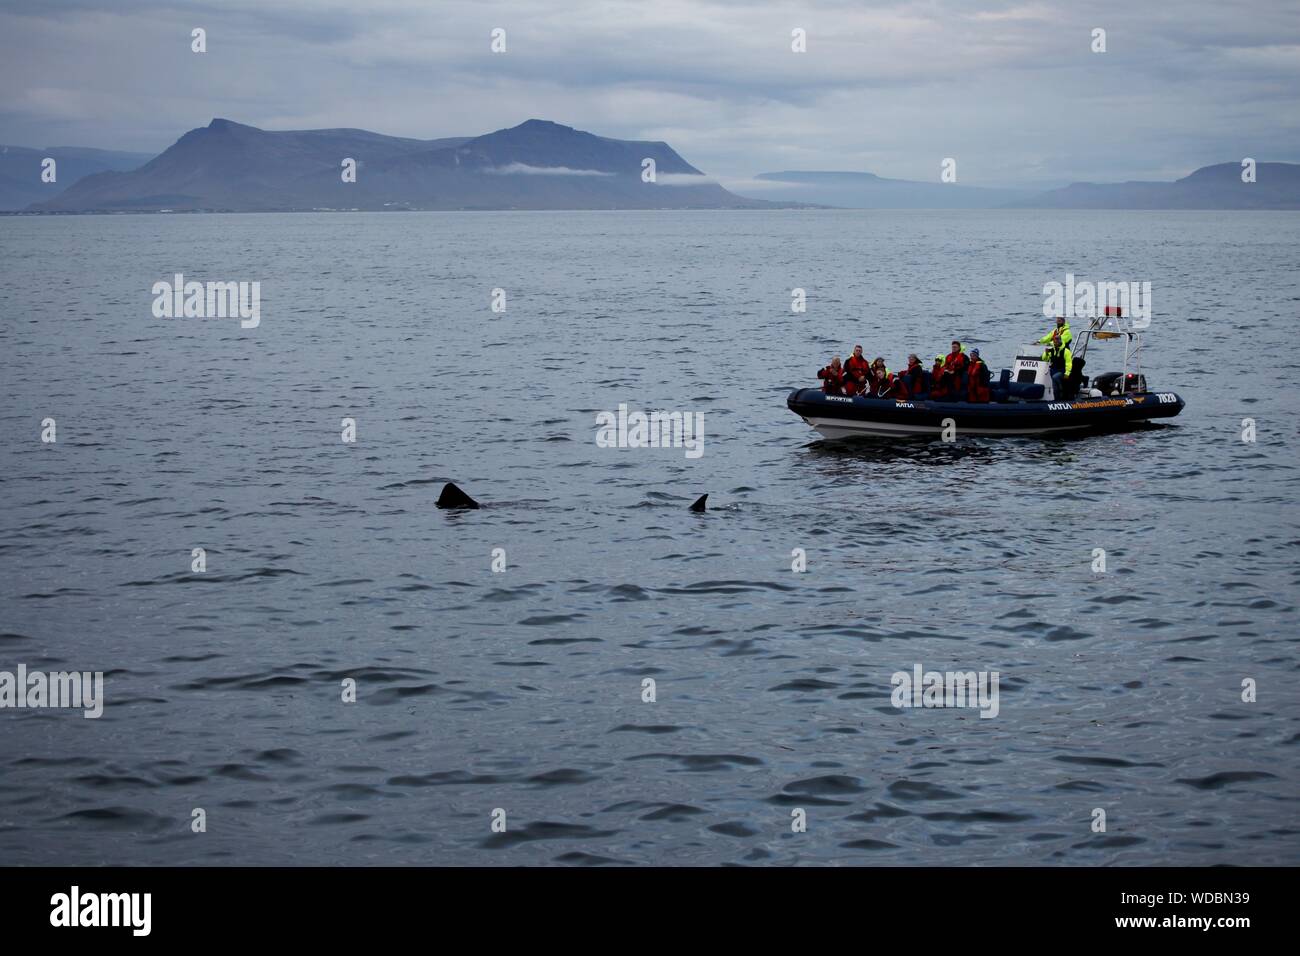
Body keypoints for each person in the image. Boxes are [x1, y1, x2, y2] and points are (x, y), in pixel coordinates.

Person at [1042, 332, 1073, 398]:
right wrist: (1046, 353)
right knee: (1054, 385)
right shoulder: (1051, 350)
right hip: (1053, 370)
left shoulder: (1066, 351)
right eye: (1054, 341)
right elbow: (1045, 359)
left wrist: (1067, 373)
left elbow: (1069, 363)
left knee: (1055, 378)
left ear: (1060, 341)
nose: (1055, 342)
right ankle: (1057, 399)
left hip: (1062, 371)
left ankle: (1061, 391)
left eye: (1057, 340)